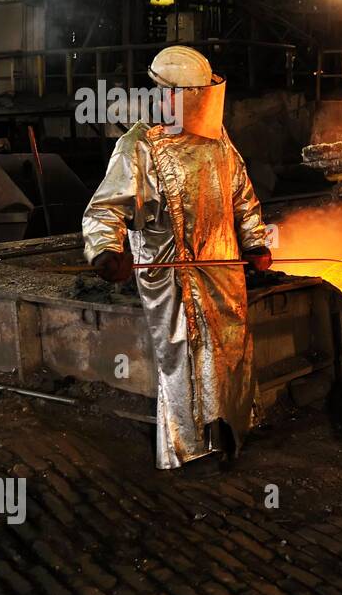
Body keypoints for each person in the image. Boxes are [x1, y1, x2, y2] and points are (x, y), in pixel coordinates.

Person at [82, 45, 272, 471]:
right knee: (183, 356)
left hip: (222, 269)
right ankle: (189, 448)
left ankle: (231, 430)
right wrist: (107, 252)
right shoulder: (140, 145)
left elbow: (241, 196)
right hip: (169, 273)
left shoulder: (217, 138)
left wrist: (255, 242)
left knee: (229, 349)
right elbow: (105, 208)